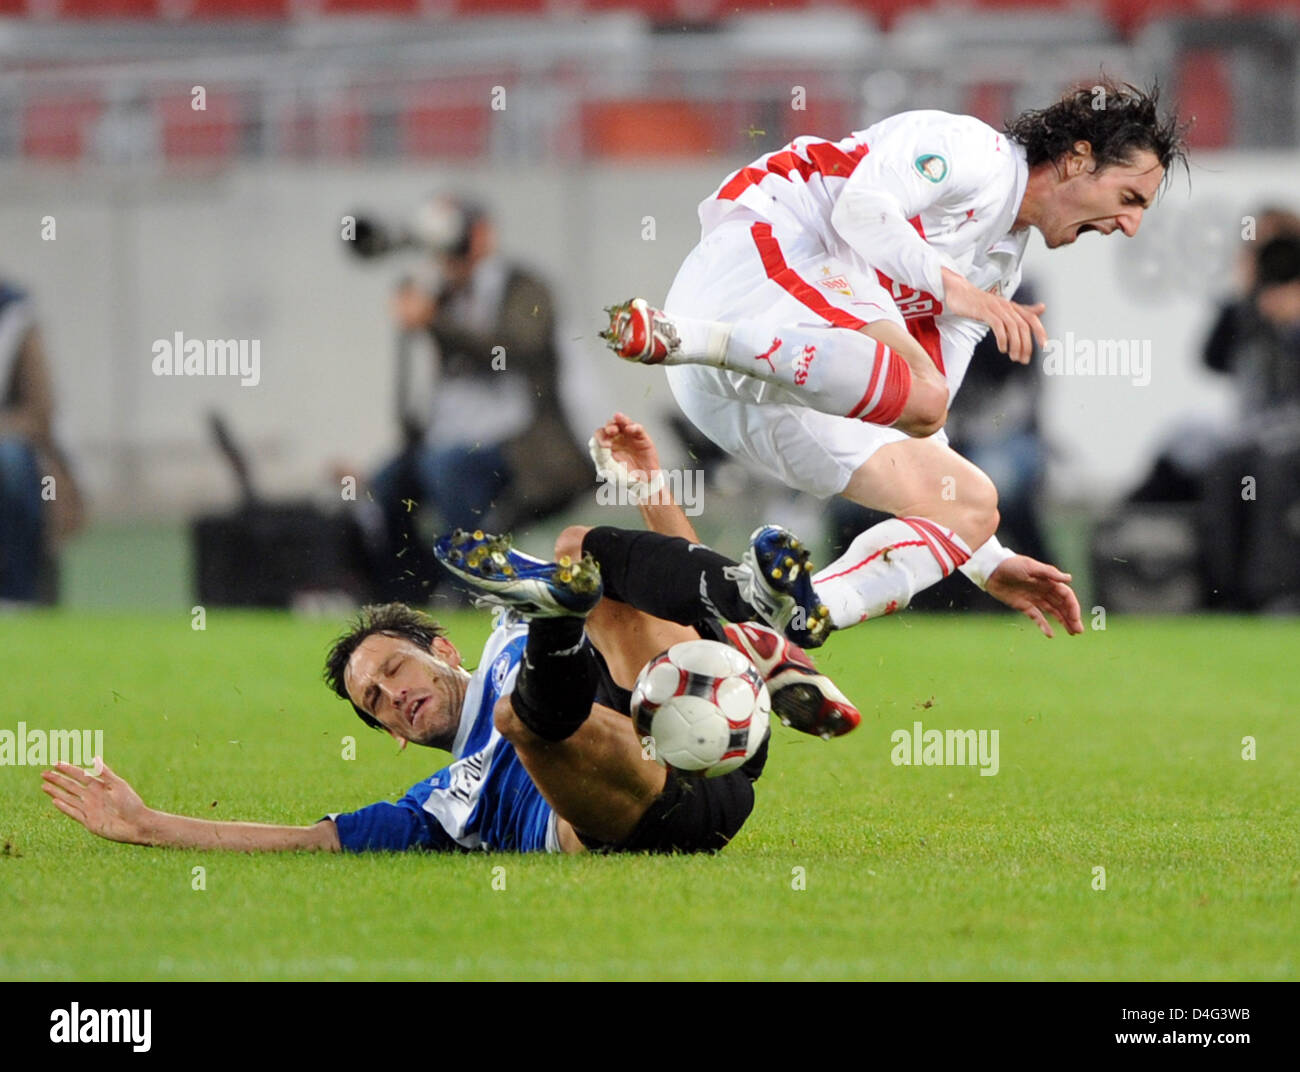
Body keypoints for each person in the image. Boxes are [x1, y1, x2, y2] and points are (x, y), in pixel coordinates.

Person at [42, 444, 858, 853]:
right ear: (392, 733)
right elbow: (308, 842)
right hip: (641, 810)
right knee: (520, 716)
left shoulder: (493, 638)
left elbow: (669, 624)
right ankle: (565, 625)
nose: (391, 693)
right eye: (375, 703)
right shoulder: (437, 804)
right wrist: (149, 825)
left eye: (393, 669)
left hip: (712, 739)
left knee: (580, 543)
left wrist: (648, 485)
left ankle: (746, 603)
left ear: (439, 647)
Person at [602, 79, 1186, 643]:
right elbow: (859, 210)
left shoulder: (1000, 263)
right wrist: (956, 289)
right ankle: (684, 337)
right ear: (1078, 160)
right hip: (754, 265)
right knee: (924, 392)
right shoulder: (972, 151)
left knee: (973, 503)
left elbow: (922, 416)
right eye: (1129, 199)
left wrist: (979, 556)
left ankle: (793, 614)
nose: (1129, 226)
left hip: (746, 392)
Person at [362, 195, 590, 603]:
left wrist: (434, 320)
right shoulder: (440, 290)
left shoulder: (523, 287)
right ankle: (412, 596)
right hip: (444, 439)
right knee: (386, 486)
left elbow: (515, 350)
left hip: (521, 443)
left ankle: (473, 592)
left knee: (447, 473)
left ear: (483, 236)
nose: (448, 258)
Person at [0, 280, 83, 603]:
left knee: (9, 460)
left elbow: (40, 414)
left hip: (21, 452)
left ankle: (16, 596)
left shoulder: (15, 315)